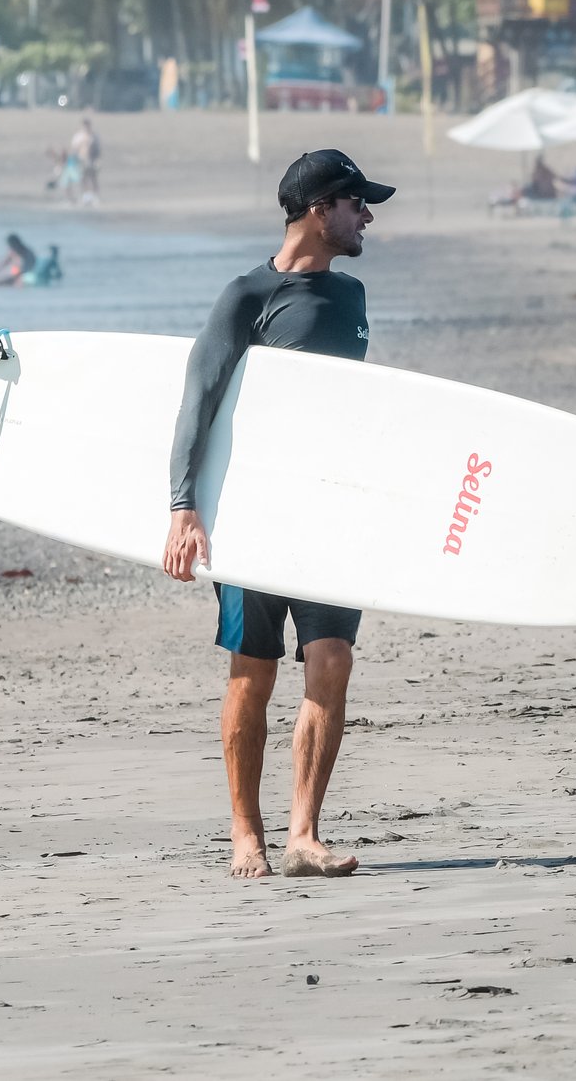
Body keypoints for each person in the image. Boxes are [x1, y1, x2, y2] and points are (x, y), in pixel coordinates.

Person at [160, 149, 395, 877]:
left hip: (330, 517)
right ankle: (245, 833)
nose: (368, 215)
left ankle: (303, 833)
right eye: (357, 203)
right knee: (251, 672)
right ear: (319, 207)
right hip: (256, 517)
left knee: (333, 660)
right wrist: (182, 506)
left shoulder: (351, 296)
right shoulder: (245, 296)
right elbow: (197, 401)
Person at [69, 117, 101, 205]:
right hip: (81, 159)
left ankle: (95, 197)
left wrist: (97, 160)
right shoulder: (78, 136)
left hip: (92, 159)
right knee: (83, 178)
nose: (86, 127)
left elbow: (98, 149)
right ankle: (84, 196)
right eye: (85, 125)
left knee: (93, 178)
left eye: (88, 125)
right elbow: (74, 148)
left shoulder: (94, 136)